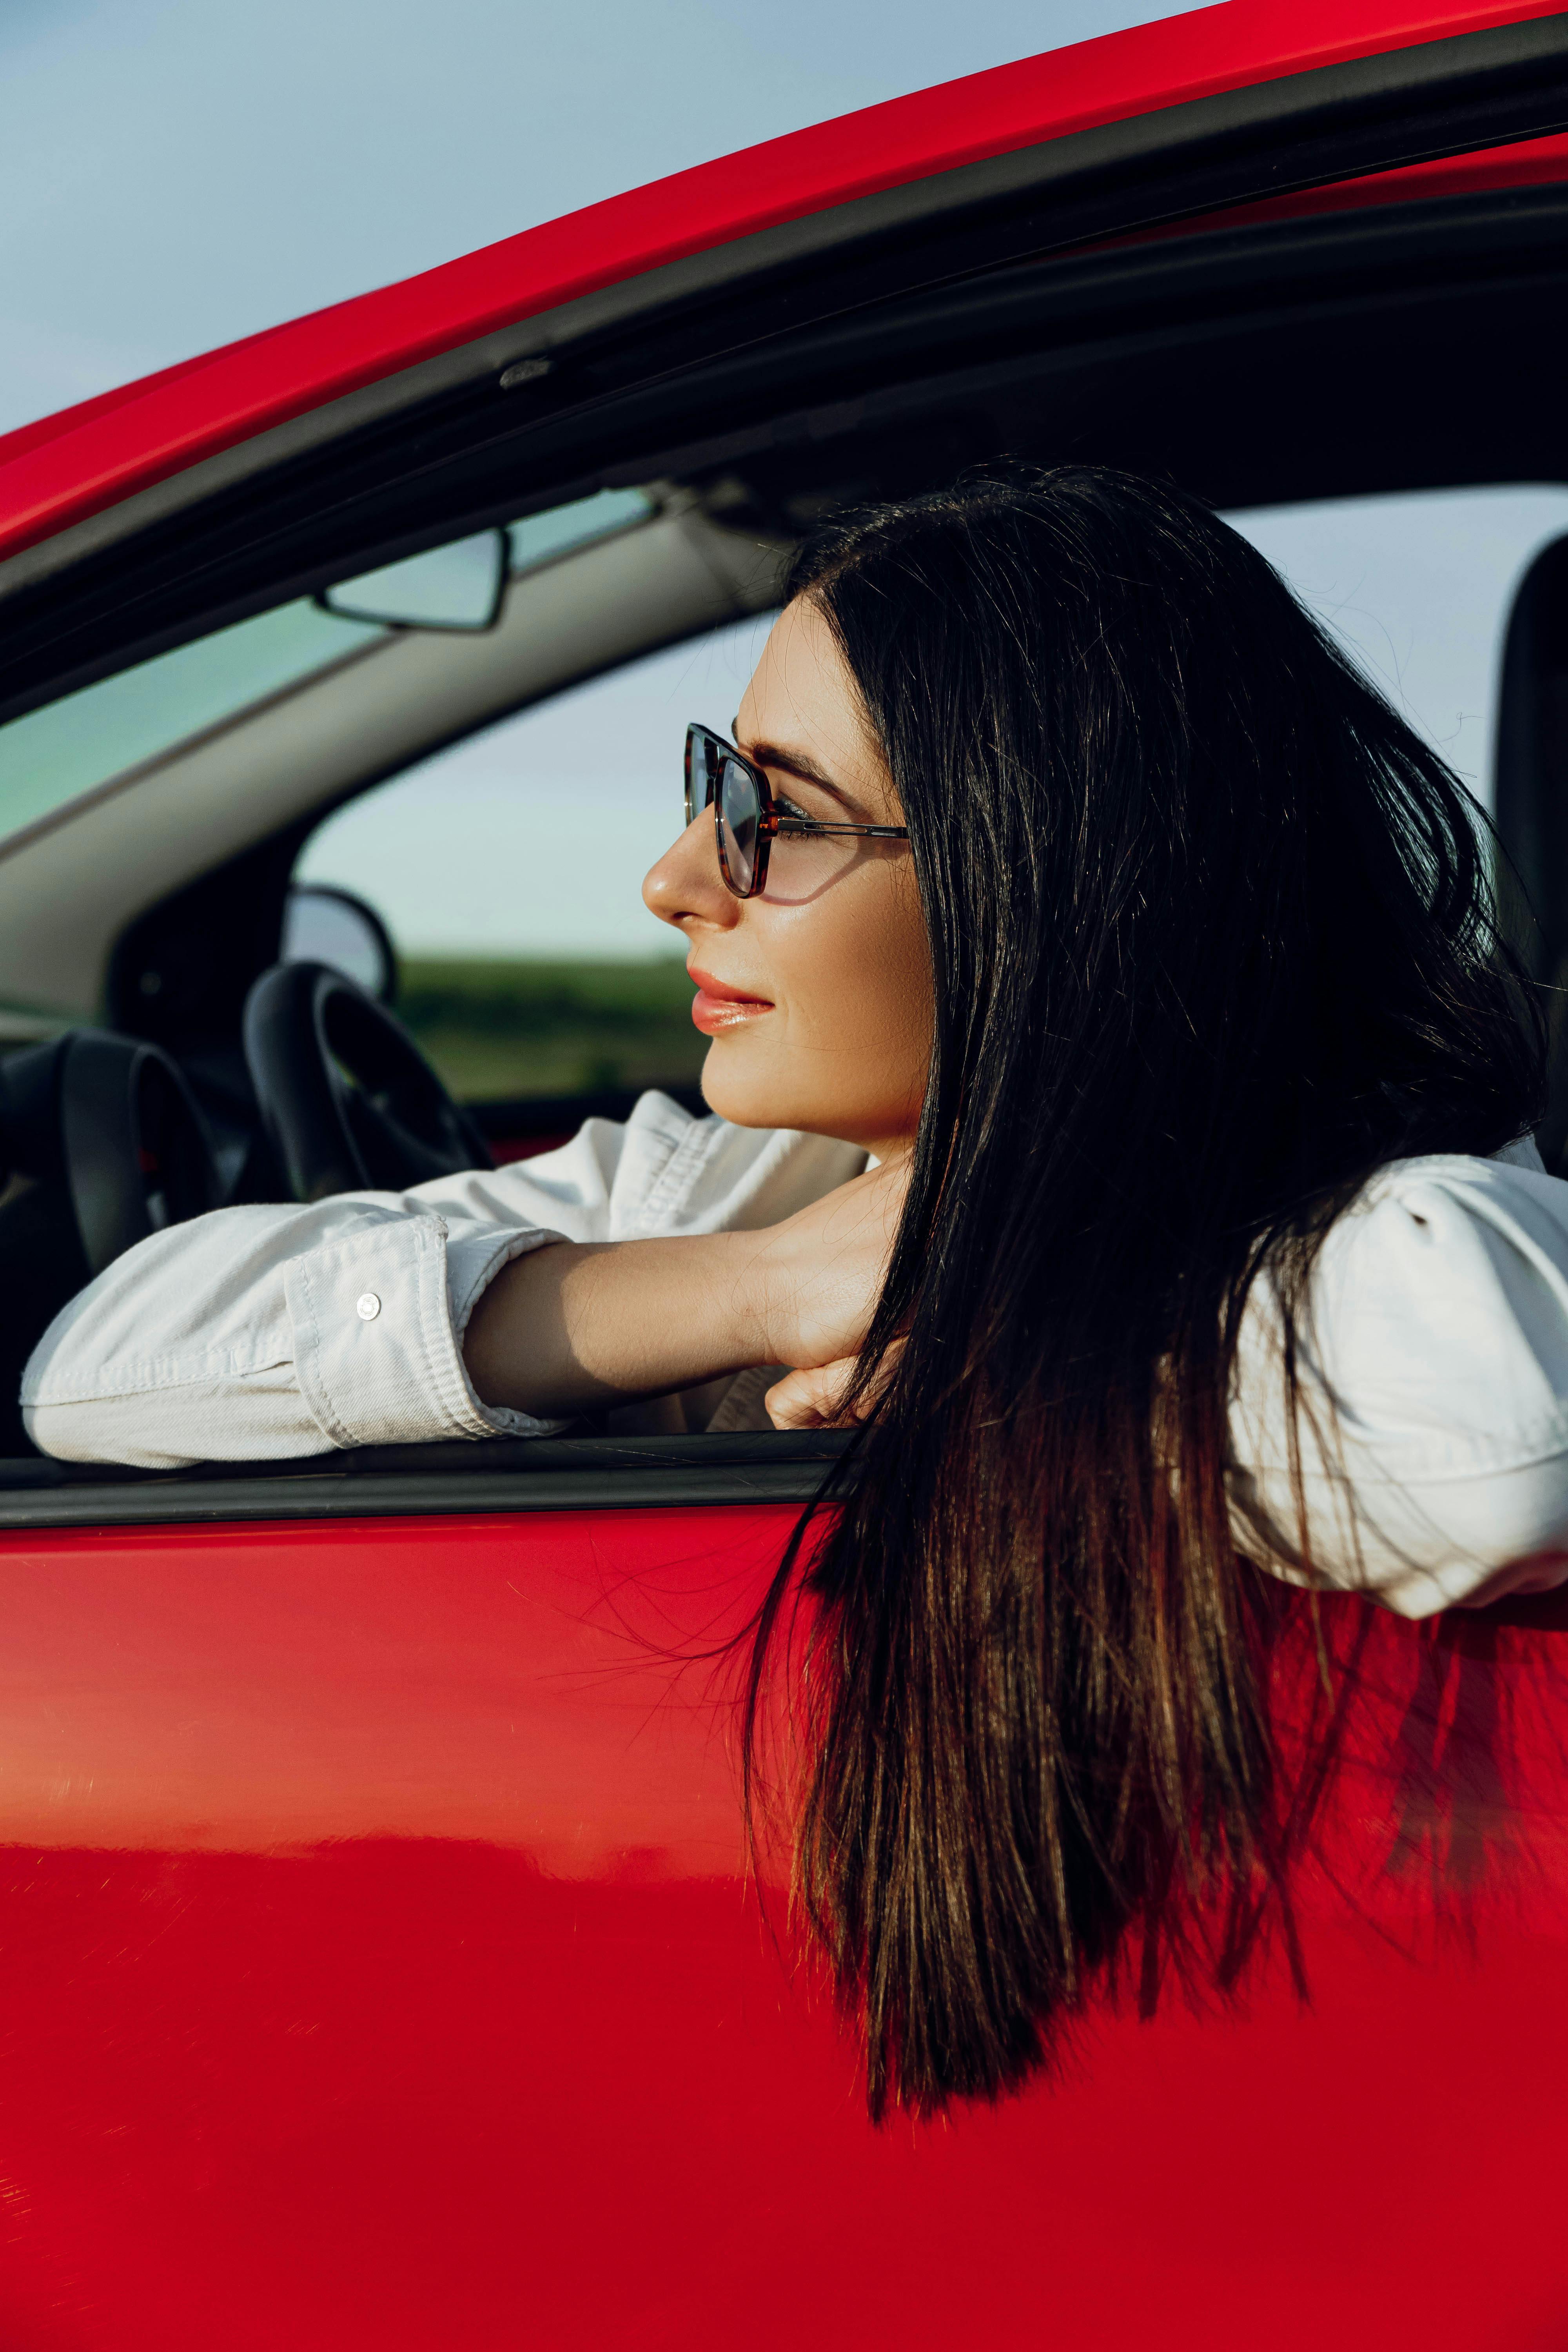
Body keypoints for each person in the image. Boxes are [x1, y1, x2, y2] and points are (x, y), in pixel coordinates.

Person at [22, 466, 1568, 2116]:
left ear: (1037, 877)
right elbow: (96, 1369)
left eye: (780, 814)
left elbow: (1502, 1431)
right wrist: (758, 1291)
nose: (680, 874)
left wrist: (1005, 1332)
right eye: (715, 785)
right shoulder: (719, 1189)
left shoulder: (1396, 1221)